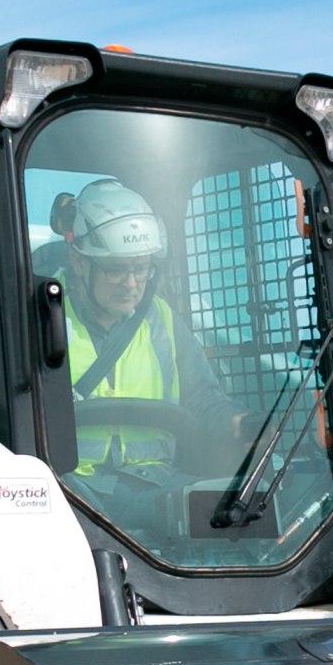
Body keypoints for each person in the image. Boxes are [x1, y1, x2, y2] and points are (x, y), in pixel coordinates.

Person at [57, 179, 240, 476]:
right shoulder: (40, 318)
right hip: (67, 484)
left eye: (141, 268)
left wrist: (236, 420)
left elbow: (202, 397)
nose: (131, 284)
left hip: (155, 480)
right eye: (115, 269)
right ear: (78, 262)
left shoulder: (162, 319)